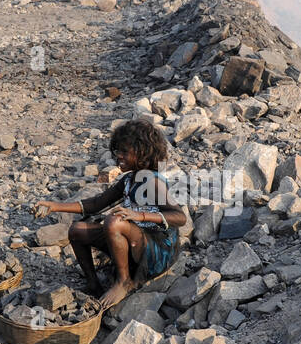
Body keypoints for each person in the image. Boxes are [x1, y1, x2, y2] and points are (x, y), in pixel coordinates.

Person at [33, 119, 187, 309]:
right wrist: (54, 206)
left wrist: (140, 216)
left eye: (124, 152)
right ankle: (93, 284)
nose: (118, 157)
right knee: (77, 230)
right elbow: (97, 203)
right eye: (117, 151)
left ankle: (124, 282)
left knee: (114, 221)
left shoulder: (153, 182)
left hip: (157, 253)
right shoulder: (129, 180)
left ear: (142, 153)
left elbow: (180, 217)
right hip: (135, 241)